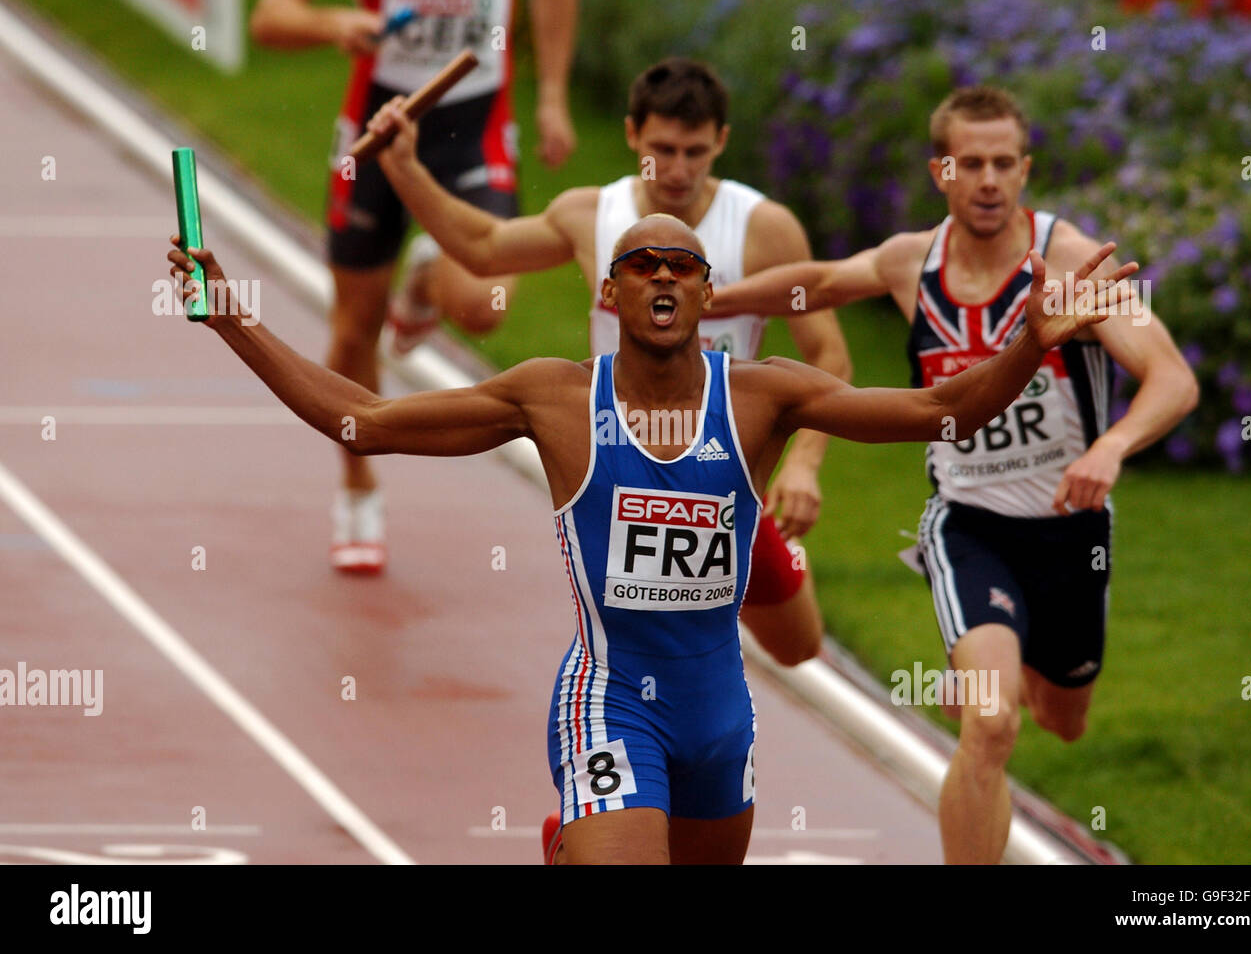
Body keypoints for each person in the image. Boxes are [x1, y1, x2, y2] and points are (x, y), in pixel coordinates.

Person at [165, 211, 1134, 863]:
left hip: (719, 714)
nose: (663, 276)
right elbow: (362, 421)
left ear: (708, 297)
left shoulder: (762, 397)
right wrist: (228, 316)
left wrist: (1030, 340)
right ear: (610, 295)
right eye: (641, 264)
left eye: (682, 266)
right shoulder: (551, 396)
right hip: (611, 700)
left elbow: (944, 407)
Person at [704, 86, 1200, 864]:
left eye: (1005, 163)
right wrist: (701, 301)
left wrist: (1111, 448)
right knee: (991, 721)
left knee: (1061, 717)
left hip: (1073, 534)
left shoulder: (1071, 261)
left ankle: (997, 653)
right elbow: (821, 285)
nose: (990, 180)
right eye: (971, 163)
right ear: (943, 170)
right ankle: (978, 656)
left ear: (1026, 168)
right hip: (968, 524)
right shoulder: (914, 262)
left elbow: (1172, 378)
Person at [365, 57, 852, 668]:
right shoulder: (590, 215)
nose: (677, 170)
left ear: (722, 142)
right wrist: (404, 166)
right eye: (662, 149)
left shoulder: (764, 230)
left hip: (721, 463)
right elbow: (487, 250)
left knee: (798, 646)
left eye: (695, 152)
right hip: (616, 464)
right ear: (631, 136)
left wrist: (803, 465)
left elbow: (826, 349)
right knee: (649, 642)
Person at [250, 0, 578, 573]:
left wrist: (552, 95)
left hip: (474, 130)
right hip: (377, 128)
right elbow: (269, 21)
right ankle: (357, 486)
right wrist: (334, 25)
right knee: (353, 333)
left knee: (483, 305)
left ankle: (426, 279)